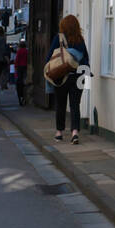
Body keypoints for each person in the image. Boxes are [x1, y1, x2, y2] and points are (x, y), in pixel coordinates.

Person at [45, 15, 90, 144]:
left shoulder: (58, 39)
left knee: (60, 104)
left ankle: (59, 133)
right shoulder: (80, 40)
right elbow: (85, 59)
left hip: (61, 76)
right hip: (79, 76)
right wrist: (87, 80)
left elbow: (49, 58)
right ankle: (75, 132)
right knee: (75, 105)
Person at [14, 38, 29, 105]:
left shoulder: (19, 51)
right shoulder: (26, 51)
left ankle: (20, 95)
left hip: (19, 67)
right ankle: (24, 94)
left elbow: (17, 60)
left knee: (19, 81)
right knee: (24, 79)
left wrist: (15, 68)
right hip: (25, 66)